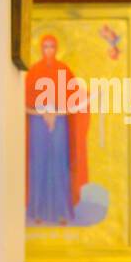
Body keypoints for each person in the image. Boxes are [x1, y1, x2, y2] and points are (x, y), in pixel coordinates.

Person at [24, 34, 89, 224]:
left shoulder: (64, 70)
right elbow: (23, 100)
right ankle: (37, 212)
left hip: (60, 122)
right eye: (45, 46)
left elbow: (74, 98)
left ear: (57, 48)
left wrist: (57, 113)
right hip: (38, 123)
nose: (49, 50)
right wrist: (42, 112)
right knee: (39, 164)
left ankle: (62, 211)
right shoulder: (34, 71)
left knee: (60, 164)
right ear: (41, 49)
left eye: (52, 46)